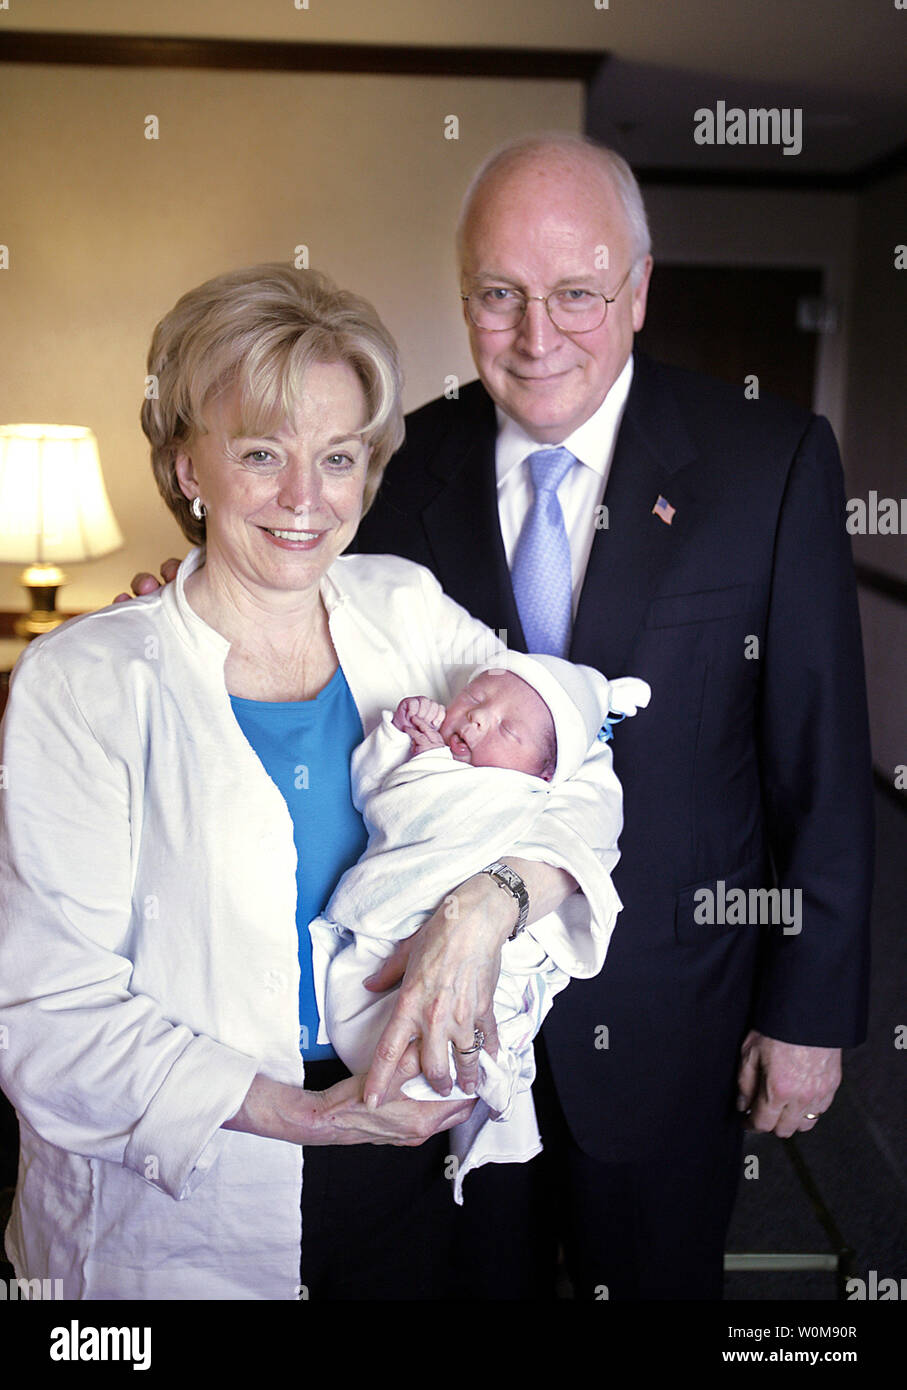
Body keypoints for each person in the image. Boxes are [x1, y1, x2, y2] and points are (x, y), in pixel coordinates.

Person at [0, 263, 626, 1300]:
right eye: (260, 453)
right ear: (186, 465)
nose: (306, 500)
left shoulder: (408, 609)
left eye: (338, 457)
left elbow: (579, 766)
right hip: (177, 1187)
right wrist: (306, 1117)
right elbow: (48, 1016)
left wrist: (490, 901)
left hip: (402, 1149)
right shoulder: (84, 682)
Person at [349, 133, 875, 1299]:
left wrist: (809, 1015)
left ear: (637, 291)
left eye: (577, 293)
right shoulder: (393, 463)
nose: (538, 337)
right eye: (500, 296)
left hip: (668, 1019)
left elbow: (821, 767)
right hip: (442, 1025)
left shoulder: (769, 460)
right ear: (465, 297)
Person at [308, 654, 651, 1202]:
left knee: (504, 983)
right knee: (373, 997)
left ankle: (487, 1059)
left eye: (506, 728)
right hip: (390, 926)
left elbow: (572, 842)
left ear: (545, 772)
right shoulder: (432, 755)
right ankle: (411, 1067)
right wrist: (402, 738)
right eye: (472, 702)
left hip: (494, 942)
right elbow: (380, 797)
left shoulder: (531, 797)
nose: (473, 721)